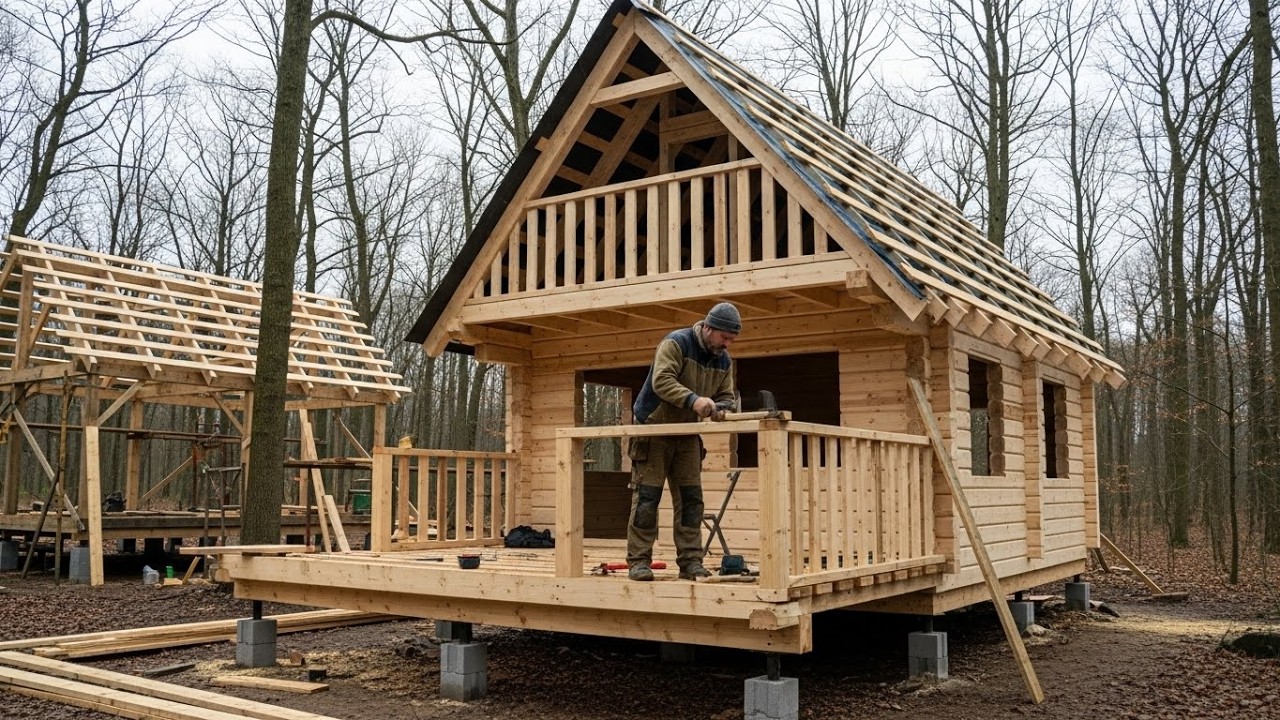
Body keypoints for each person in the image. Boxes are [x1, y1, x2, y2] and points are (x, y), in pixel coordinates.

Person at [625, 302, 740, 581]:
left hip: (687, 434)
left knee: (691, 500)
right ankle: (639, 561)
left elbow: (727, 395)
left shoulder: (723, 360)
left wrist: (722, 408)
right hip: (654, 430)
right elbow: (661, 381)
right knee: (647, 499)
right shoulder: (676, 343)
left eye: (731, 339)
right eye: (724, 337)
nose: (727, 344)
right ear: (708, 327)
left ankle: (691, 563)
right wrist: (694, 400)